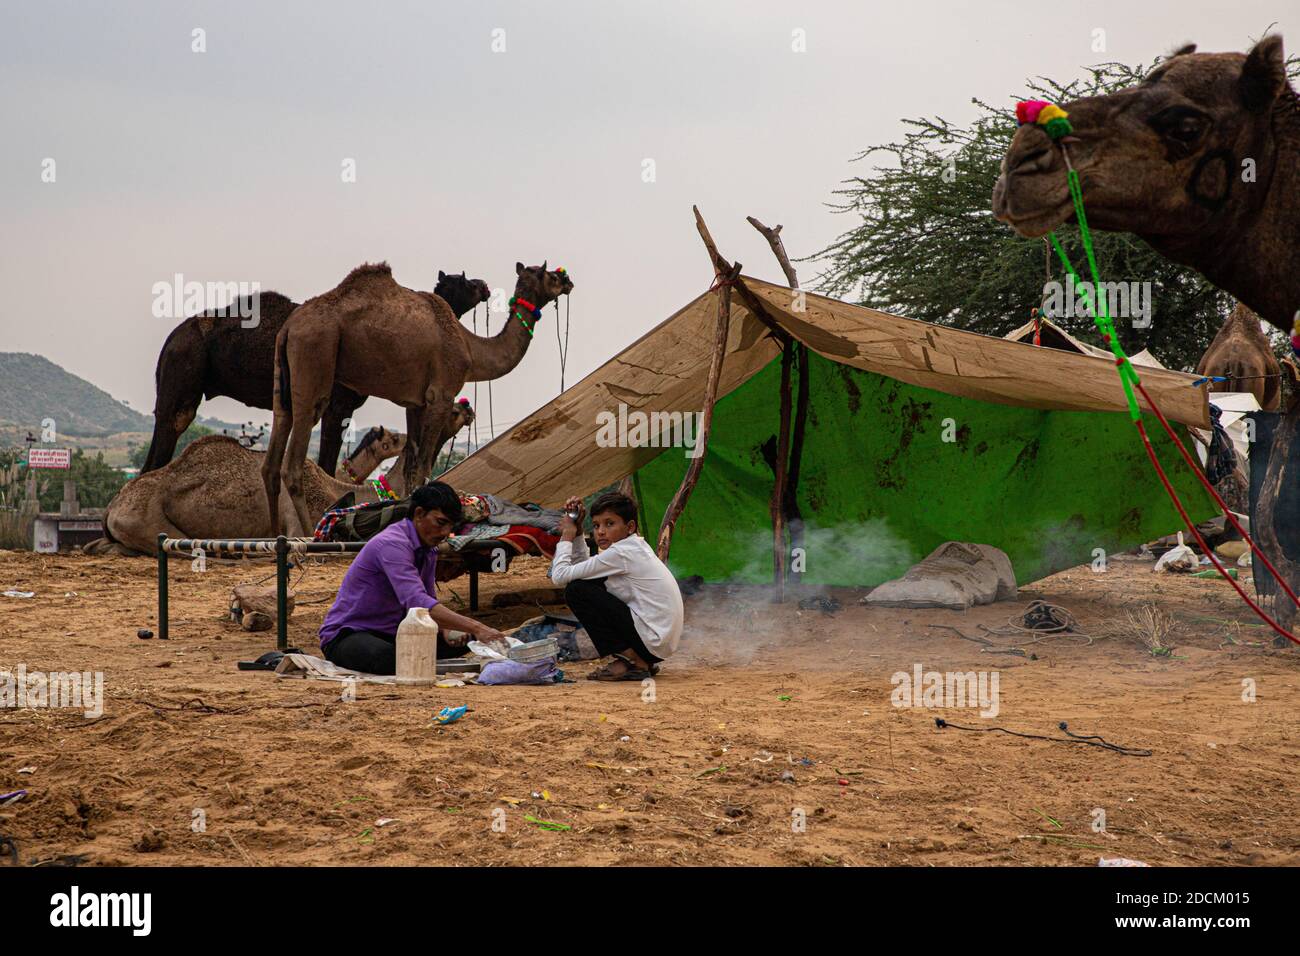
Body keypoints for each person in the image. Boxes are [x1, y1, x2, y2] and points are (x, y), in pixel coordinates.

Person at [320, 481, 506, 674]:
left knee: (468, 640)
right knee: (393, 658)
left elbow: (428, 602)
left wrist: (446, 629)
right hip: (350, 634)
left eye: (450, 526)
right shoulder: (392, 544)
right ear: (418, 514)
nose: (444, 533)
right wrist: (477, 626)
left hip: (396, 634)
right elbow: (417, 602)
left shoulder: (429, 550)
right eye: (440, 522)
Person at [549, 491, 684, 681]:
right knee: (582, 584)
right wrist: (579, 532)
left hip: (652, 641)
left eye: (609, 524)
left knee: (576, 591)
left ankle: (634, 661)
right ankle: (639, 659)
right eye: (596, 526)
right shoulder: (631, 548)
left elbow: (560, 576)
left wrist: (567, 535)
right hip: (658, 643)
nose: (601, 531)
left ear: (629, 527)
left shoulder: (622, 553)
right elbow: (582, 571)